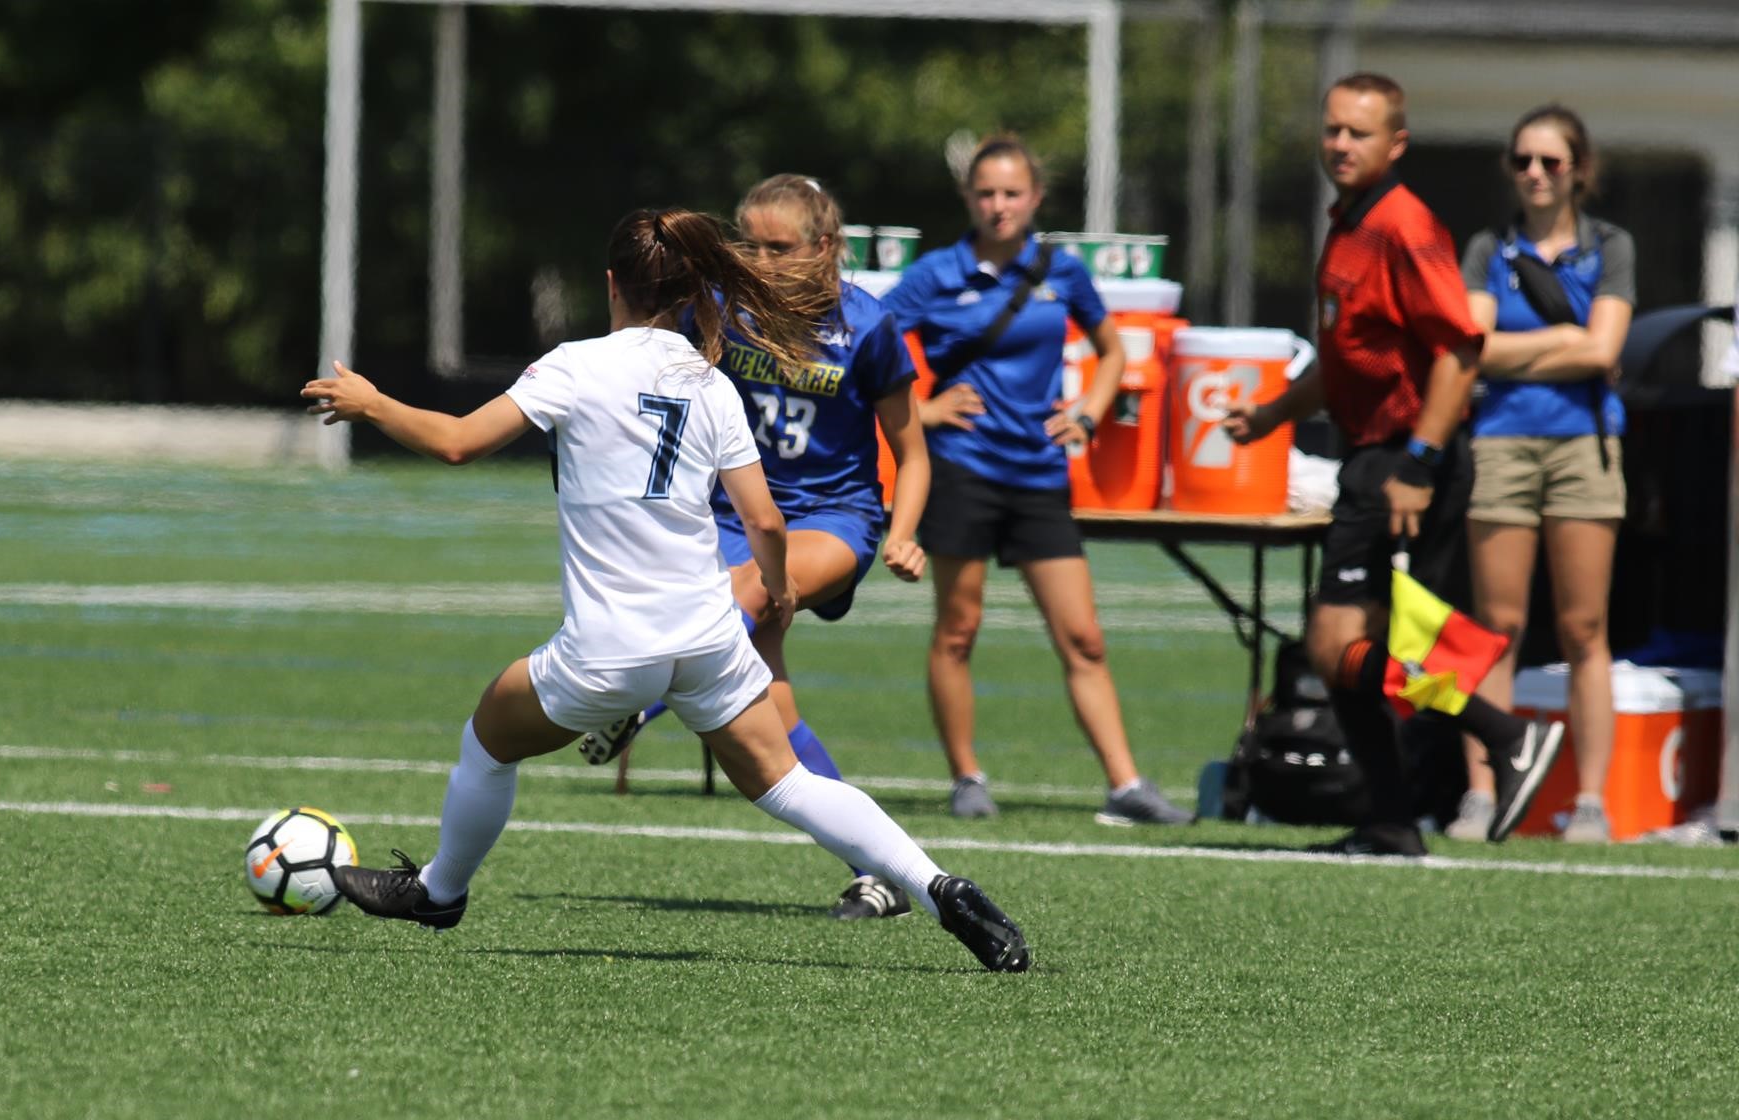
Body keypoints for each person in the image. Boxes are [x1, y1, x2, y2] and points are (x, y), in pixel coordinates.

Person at [298, 206, 1030, 972]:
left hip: (610, 650)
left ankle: (441, 892)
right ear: (685, 294)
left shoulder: (574, 365)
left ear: (611, 284)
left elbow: (455, 443)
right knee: (790, 784)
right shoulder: (707, 381)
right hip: (709, 638)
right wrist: (775, 588)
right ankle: (941, 884)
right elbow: (766, 520)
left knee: (486, 739)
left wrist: (372, 403)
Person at [573, 175, 935, 922]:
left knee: (741, 590)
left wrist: (903, 534)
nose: (762, 261)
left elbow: (913, 448)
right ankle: (879, 872)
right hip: (738, 515)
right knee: (770, 704)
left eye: (781, 247)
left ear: (826, 248)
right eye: (751, 244)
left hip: (835, 519)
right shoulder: (722, 309)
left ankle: (639, 696)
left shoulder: (867, 325)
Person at [1224, 72, 1565, 856]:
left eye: (1360, 133)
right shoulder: (1351, 221)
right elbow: (1352, 355)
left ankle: (1502, 735)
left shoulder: (1404, 225)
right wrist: (1274, 414)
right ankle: (1390, 820)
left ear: (1396, 143)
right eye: (1333, 129)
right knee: (1359, 653)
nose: (1341, 144)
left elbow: (1459, 348)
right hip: (1371, 455)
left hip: (1401, 462)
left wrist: (1418, 460)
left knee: (1336, 646)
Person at [881, 134, 1192, 827]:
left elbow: (1112, 351)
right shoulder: (936, 273)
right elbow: (863, 341)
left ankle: (1126, 785)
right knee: (958, 631)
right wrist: (924, 409)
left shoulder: (1063, 270)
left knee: (1084, 637)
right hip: (963, 470)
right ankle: (966, 776)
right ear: (968, 197)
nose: (999, 206)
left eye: (1012, 193)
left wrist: (1086, 412)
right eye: (986, 193)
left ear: (1036, 198)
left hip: (1039, 474)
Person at [1445, 106, 1634, 845]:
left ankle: (1590, 800)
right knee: (1496, 627)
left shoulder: (1610, 246)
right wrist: (1563, 337)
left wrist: (1526, 346)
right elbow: (1471, 347)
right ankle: (1481, 791)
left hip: (1584, 444)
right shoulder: (1490, 248)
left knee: (1585, 627)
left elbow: (1606, 352)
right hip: (1499, 442)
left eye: (1551, 162)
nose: (1535, 173)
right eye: (1523, 160)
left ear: (1579, 170)